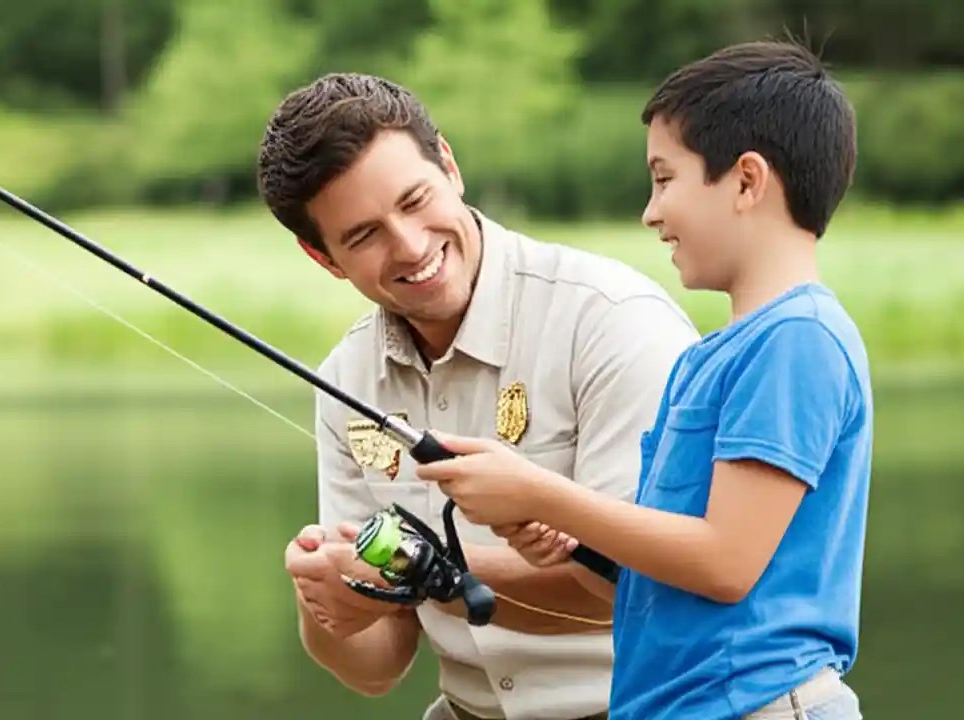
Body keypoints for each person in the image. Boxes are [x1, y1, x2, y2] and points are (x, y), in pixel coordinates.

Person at [415, 40, 870, 720]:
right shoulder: (705, 359)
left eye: (664, 179)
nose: (650, 212)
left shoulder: (797, 339)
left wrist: (542, 490)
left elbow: (726, 563)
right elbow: (655, 586)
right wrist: (565, 540)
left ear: (747, 182)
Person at [258, 73, 700, 720]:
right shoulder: (346, 377)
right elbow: (376, 667)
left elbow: (645, 588)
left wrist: (429, 578)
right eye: (363, 235)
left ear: (450, 164)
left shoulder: (611, 319)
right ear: (323, 257)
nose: (411, 246)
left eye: (415, 200)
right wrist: (325, 599)